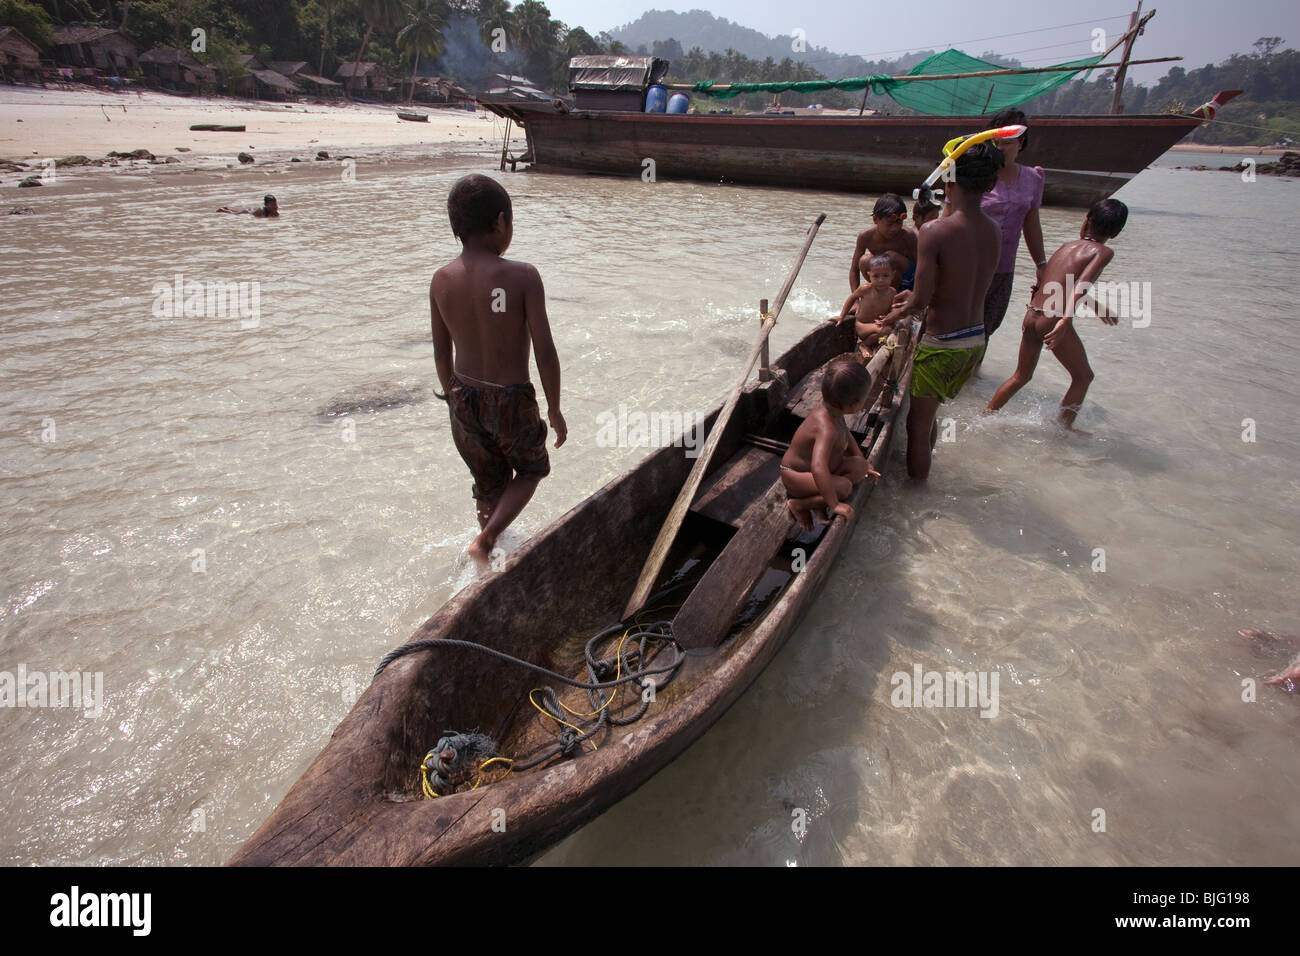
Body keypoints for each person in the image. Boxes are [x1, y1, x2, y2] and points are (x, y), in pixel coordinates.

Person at [429, 174, 566, 570]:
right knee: (532, 467)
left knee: (488, 484)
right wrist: (554, 410)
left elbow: (441, 352)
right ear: (502, 221)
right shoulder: (522, 276)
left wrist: (454, 401)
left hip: (462, 396)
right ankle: (486, 542)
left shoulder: (441, 279)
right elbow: (545, 351)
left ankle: (484, 561)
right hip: (509, 400)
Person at [892, 142, 1003, 481]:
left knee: (917, 424)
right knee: (931, 413)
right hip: (975, 341)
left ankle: (917, 492)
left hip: (942, 346)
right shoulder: (994, 230)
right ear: (990, 185)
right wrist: (915, 295)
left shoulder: (934, 230)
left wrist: (893, 314)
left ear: (948, 182)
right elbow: (961, 282)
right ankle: (926, 463)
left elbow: (921, 302)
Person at [984, 199, 1128, 430]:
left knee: (1021, 377)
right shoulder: (1103, 251)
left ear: (1087, 220)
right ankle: (1063, 432)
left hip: (1032, 315)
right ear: (1117, 232)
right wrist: (1065, 320)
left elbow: (1050, 284)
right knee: (1083, 377)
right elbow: (1081, 284)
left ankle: (985, 417)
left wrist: (1096, 307)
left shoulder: (1066, 247)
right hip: (1053, 319)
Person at [942, 109, 1047, 348]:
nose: (1000, 148)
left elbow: (1031, 223)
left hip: (1002, 268)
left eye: (1007, 143)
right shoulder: (975, 174)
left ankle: (973, 379)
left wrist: (1041, 264)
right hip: (965, 265)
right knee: (952, 326)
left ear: (1021, 142)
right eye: (995, 142)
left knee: (986, 329)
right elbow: (948, 215)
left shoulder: (1033, 178)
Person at [780, 359, 880, 530]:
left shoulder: (833, 411)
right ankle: (800, 504)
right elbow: (818, 467)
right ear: (854, 404)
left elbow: (846, 434)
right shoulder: (826, 427)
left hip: (820, 471)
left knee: (860, 466)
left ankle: (820, 502)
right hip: (796, 476)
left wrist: (863, 462)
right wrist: (834, 504)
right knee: (844, 488)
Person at [830, 254, 904, 360]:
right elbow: (851, 299)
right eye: (876, 276)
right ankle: (864, 345)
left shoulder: (892, 292)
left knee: (894, 328)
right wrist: (842, 316)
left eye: (885, 276)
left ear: (893, 275)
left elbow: (891, 309)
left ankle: (872, 340)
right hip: (862, 325)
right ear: (869, 275)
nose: (881, 280)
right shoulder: (865, 289)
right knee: (886, 331)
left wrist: (887, 318)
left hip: (877, 324)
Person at [850, 194, 918, 299]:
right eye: (890, 223)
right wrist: (855, 300)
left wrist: (917, 295)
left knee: (891, 257)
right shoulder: (865, 236)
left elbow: (921, 267)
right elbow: (854, 269)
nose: (895, 228)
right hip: (883, 279)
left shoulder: (908, 235)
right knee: (864, 261)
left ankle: (895, 298)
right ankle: (880, 296)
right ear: (875, 219)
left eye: (899, 223)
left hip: (906, 283)